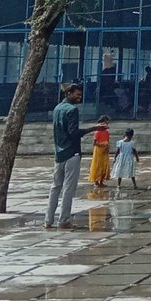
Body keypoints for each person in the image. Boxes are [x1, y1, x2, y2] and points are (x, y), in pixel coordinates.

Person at [46, 83, 100, 230]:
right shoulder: (72, 110)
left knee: (55, 187)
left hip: (59, 153)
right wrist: (94, 128)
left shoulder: (57, 108)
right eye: (77, 94)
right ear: (69, 93)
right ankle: (63, 220)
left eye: (80, 95)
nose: (79, 97)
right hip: (71, 152)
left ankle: (48, 220)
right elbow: (74, 133)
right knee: (68, 188)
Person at [88, 115, 112, 187]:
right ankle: (96, 182)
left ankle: (101, 181)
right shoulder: (97, 132)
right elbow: (95, 143)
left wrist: (107, 147)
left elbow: (108, 140)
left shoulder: (106, 132)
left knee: (104, 165)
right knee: (97, 165)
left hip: (105, 150)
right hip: (98, 151)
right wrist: (103, 145)